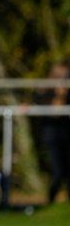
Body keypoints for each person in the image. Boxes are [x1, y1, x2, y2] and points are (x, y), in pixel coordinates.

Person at [37, 61, 70, 204]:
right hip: (53, 136)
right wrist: (60, 96)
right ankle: (50, 202)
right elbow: (54, 113)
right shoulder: (45, 90)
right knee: (58, 172)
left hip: (66, 134)